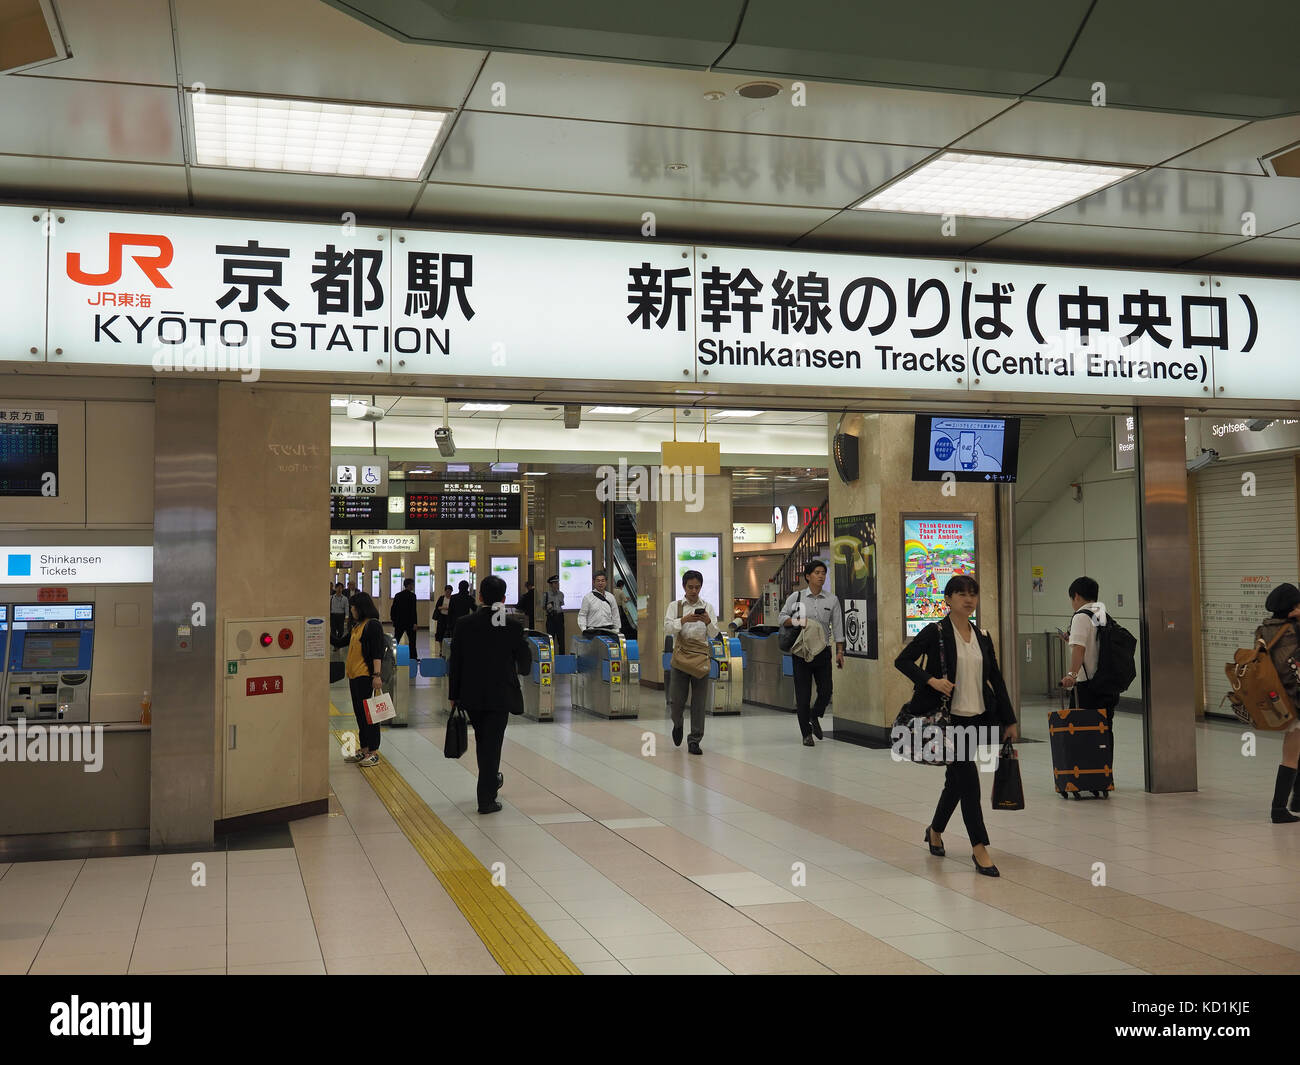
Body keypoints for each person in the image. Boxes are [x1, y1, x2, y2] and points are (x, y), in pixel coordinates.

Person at [894, 575, 1019, 877]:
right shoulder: (936, 632)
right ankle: (980, 848)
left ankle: (935, 830)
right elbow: (903, 660)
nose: (968, 599)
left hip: (976, 717)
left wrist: (1009, 719)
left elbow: (996, 680)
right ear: (947, 599)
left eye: (973, 594)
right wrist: (931, 680)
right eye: (961, 594)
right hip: (949, 720)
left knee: (956, 782)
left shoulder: (982, 636)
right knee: (969, 782)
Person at [448, 575, 531, 814]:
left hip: (471, 694)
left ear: (480, 596)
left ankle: (490, 782)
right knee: (492, 744)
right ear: (504, 598)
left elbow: (456, 663)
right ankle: (486, 797)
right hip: (501, 694)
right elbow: (524, 663)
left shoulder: (464, 624)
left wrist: (454, 694)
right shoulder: (512, 625)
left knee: (484, 741)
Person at [779, 560, 845, 746]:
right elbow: (782, 618)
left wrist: (840, 651)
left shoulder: (832, 600)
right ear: (808, 576)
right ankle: (806, 734)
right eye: (817, 572)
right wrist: (799, 621)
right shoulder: (797, 597)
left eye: (823, 572)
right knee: (803, 694)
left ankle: (814, 715)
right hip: (801, 652)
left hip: (823, 651)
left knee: (826, 690)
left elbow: (838, 627)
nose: (821, 576)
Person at [1257, 583, 1300, 823]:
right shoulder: (1294, 630)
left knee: (1295, 751)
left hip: (1277, 700)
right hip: (1295, 699)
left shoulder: (1264, 629)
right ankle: (1278, 809)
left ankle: (1297, 800)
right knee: (1290, 756)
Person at [664, 569, 718, 756]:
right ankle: (677, 724)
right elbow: (667, 628)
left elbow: (714, 634)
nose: (694, 591)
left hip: (700, 660)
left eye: (697, 587)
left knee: (699, 703)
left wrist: (708, 621)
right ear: (684, 587)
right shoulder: (675, 606)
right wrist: (684, 619)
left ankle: (695, 739)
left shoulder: (708, 606)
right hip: (680, 659)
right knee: (676, 701)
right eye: (690, 587)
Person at [1059, 577, 1116, 732]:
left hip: (1087, 687)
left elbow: (1079, 648)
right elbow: (1095, 644)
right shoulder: (1102, 614)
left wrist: (1071, 675)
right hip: (1106, 684)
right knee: (1103, 731)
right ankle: (1104, 757)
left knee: (1082, 733)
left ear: (1076, 596)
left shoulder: (1080, 616)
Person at [339, 591, 386, 768]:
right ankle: (364, 748)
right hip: (354, 677)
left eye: (353, 607)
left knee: (370, 715)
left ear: (361, 608)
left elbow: (377, 652)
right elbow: (340, 642)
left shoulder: (372, 625)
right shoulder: (357, 626)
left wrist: (377, 676)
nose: (351, 610)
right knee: (360, 714)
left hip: (366, 676)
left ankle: (373, 752)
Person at [578, 571, 620, 636]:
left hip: (609, 630)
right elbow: (582, 615)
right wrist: (584, 630)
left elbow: (615, 614)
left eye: (603, 581)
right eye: (598, 581)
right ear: (593, 582)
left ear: (606, 582)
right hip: (593, 631)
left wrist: (617, 629)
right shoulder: (587, 597)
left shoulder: (611, 597)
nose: (600, 583)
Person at [391, 577, 419, 663]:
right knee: (412, 641)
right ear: (409, 585)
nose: (413, 586)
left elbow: (393, 609)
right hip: (410, 622)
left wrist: (393, 619)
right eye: (412, 585)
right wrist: (415, 623)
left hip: (399, 622)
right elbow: (413, 611)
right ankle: (413, 657)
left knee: (396, 640)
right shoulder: (412, 596)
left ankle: (392, 656)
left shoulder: (398, 595)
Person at [543, 575, 565, 654]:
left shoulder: (561, 594)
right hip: (551, 617)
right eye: (555, 583)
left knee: (561, 639)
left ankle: (562, 657)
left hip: (559, 616)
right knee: (550, 639)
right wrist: (549, 607)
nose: (557, 584)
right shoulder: (546, 595)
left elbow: (561, 604)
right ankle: (550, 656)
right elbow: (543, 606)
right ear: (551, 584)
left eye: (557, 583)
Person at [433, 584, 453, 654]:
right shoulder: (441, 598)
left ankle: (449, 649)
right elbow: (437, 607)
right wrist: (443, 607)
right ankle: (441, 649)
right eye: (447, 591)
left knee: (449, 633)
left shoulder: (453, 598)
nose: (448, 593)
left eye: (450, 591)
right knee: (440, 633)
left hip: (449, 618)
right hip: (442, 617)